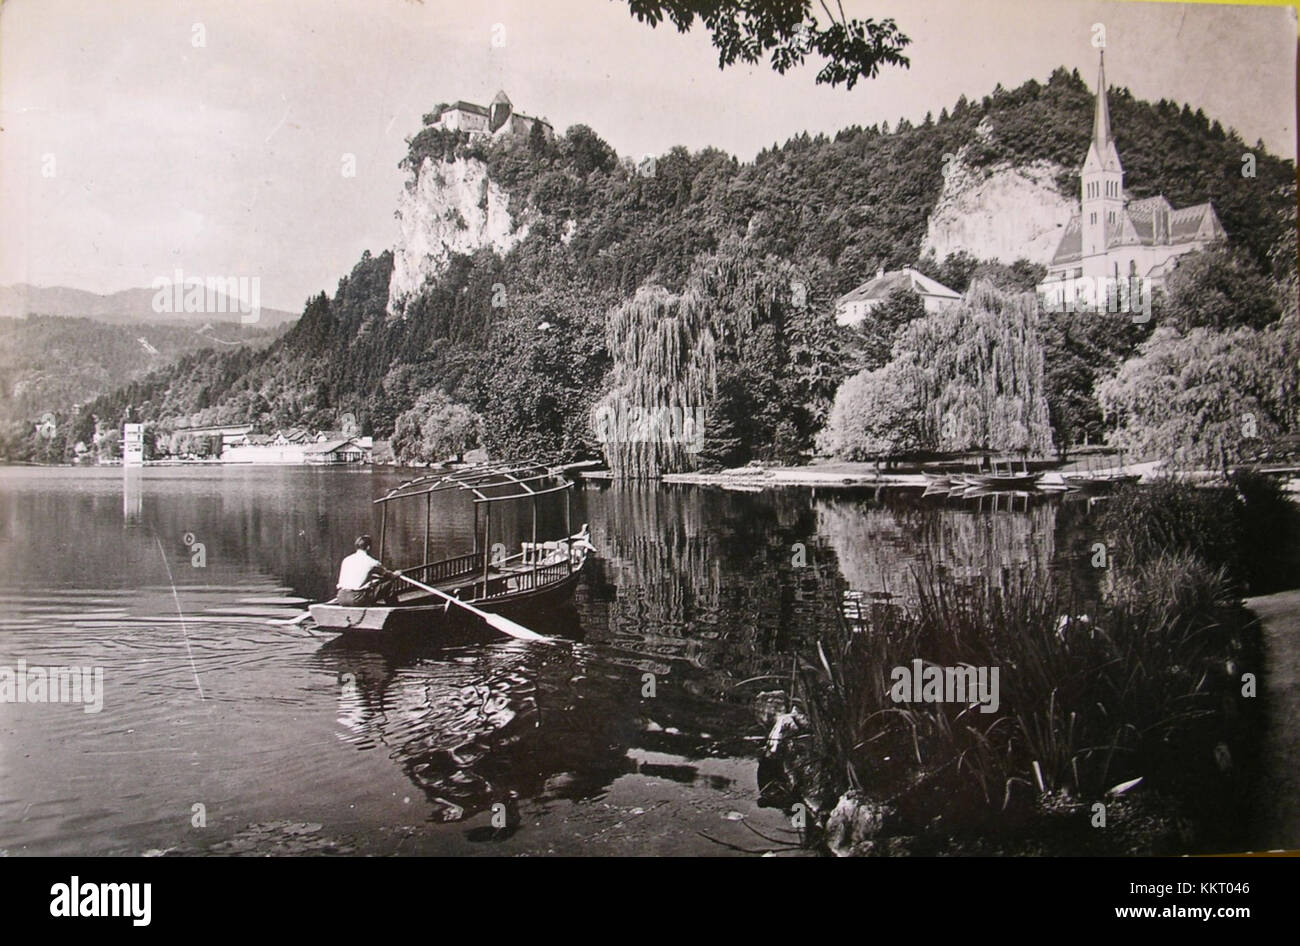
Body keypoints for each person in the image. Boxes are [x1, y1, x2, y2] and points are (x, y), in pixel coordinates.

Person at [336, 534, 402, 606]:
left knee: (372, 586)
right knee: (388, 585)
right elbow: (389, 575)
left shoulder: (346, 559)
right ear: (368, 547)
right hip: (357, 598)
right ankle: (395, 609)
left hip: (341, 596)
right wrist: (396, 574)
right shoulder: (372, 562)